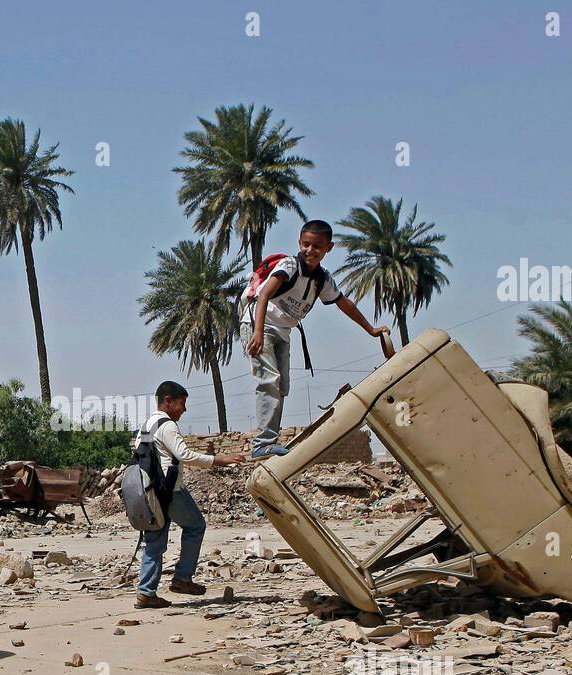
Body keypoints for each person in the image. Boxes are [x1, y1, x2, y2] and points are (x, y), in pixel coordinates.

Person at [242, 219, 390, 458]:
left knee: (281, 386)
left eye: (317, 246)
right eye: (306, 245)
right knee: (269, 380)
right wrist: (257, 332)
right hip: (259, 324)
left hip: (283, 330)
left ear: (328, 248)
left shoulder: (322, 279)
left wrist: (371, 330)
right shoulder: (289, 266)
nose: (310, 251)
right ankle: (263, 443)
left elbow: (345, 304)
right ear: (299, 243)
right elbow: (264, 295)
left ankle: (269, 440)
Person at [135, 382, 245, 609]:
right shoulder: (167, 425)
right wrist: (219, 459)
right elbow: (184, 454)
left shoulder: (146, 425)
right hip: (170, 490)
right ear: (168, 401)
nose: (184, 409)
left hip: (149, 492)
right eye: (182, 403)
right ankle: (182, 578)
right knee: (196, 526)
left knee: (154, 540)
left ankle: (146, 593)